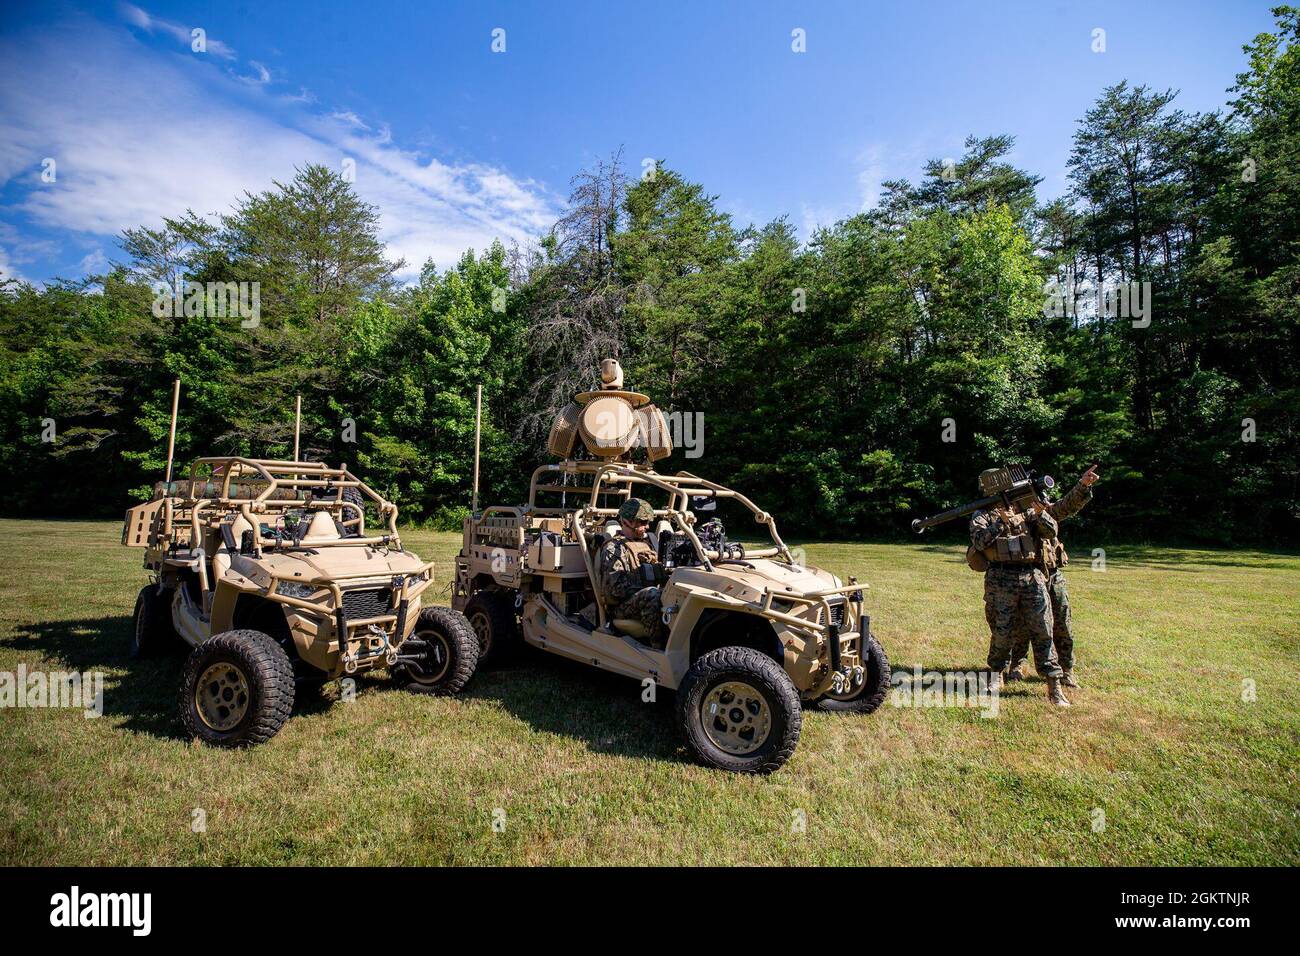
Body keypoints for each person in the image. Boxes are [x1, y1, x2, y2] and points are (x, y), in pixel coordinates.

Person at [969, 471, 1070, 707]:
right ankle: (996, 676)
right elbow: (979, 542)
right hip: (1000, 577)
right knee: (1002, 631)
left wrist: (1039, 513)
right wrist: (1000, 523)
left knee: (1043, 629)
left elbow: (1051, 531)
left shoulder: (1026, 508)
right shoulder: (982, 515)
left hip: (1031, 576)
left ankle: (1054, 685)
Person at [1005, 465, 1099, 688]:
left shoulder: (1044, 509)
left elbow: (1066, 506)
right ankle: (1017, 664)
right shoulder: (1009, 512)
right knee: (1021, 624)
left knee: (1061, 622)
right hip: (1026, 574)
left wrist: (1083, 485)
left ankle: (1066, 669)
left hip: (1052, 573)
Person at [597, 497, 665, 644]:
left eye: (648, 522)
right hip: (622, 607)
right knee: (652, 594)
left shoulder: (648, 543)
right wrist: (643, 583)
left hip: (642, 598)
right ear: (627, 522)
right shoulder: (614, 549)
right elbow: (615, 590)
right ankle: (657, 646)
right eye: (643, 522)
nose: (647, 527)